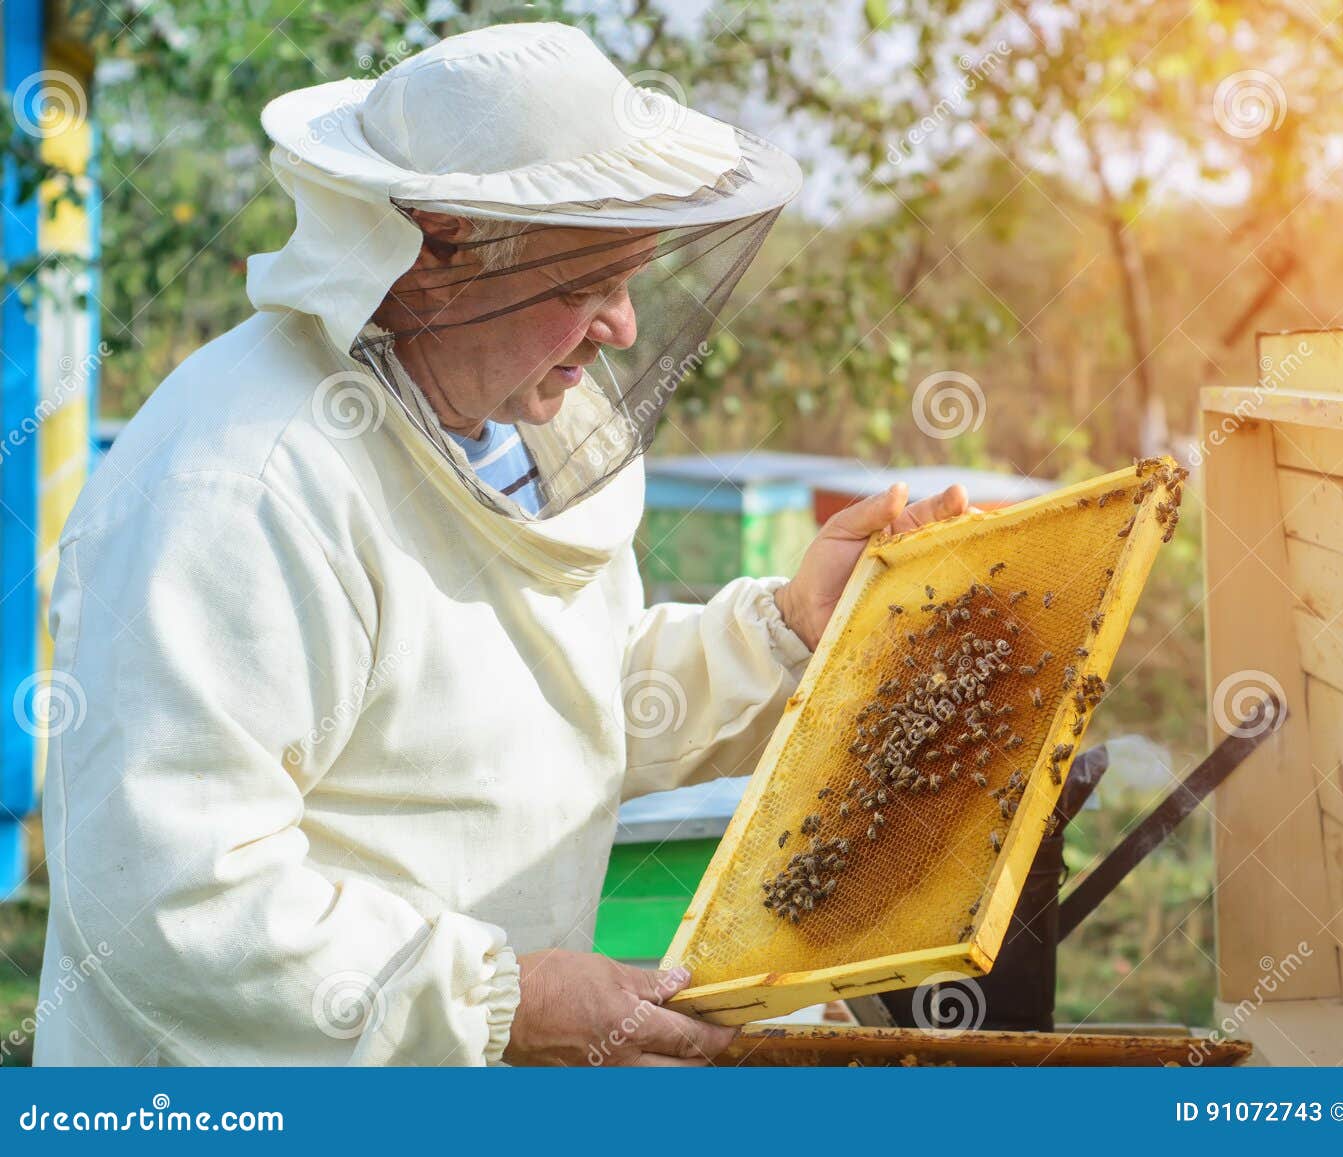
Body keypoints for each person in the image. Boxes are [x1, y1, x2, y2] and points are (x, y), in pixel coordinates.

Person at [33, 21, 967, 1066]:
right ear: (434, 251)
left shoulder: (526, 419)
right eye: (580, 287)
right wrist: (503, 998)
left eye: (630, 280)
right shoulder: (241, 483)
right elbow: (168, 895)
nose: (619, 326)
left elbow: (552, 702)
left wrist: (789, 629)